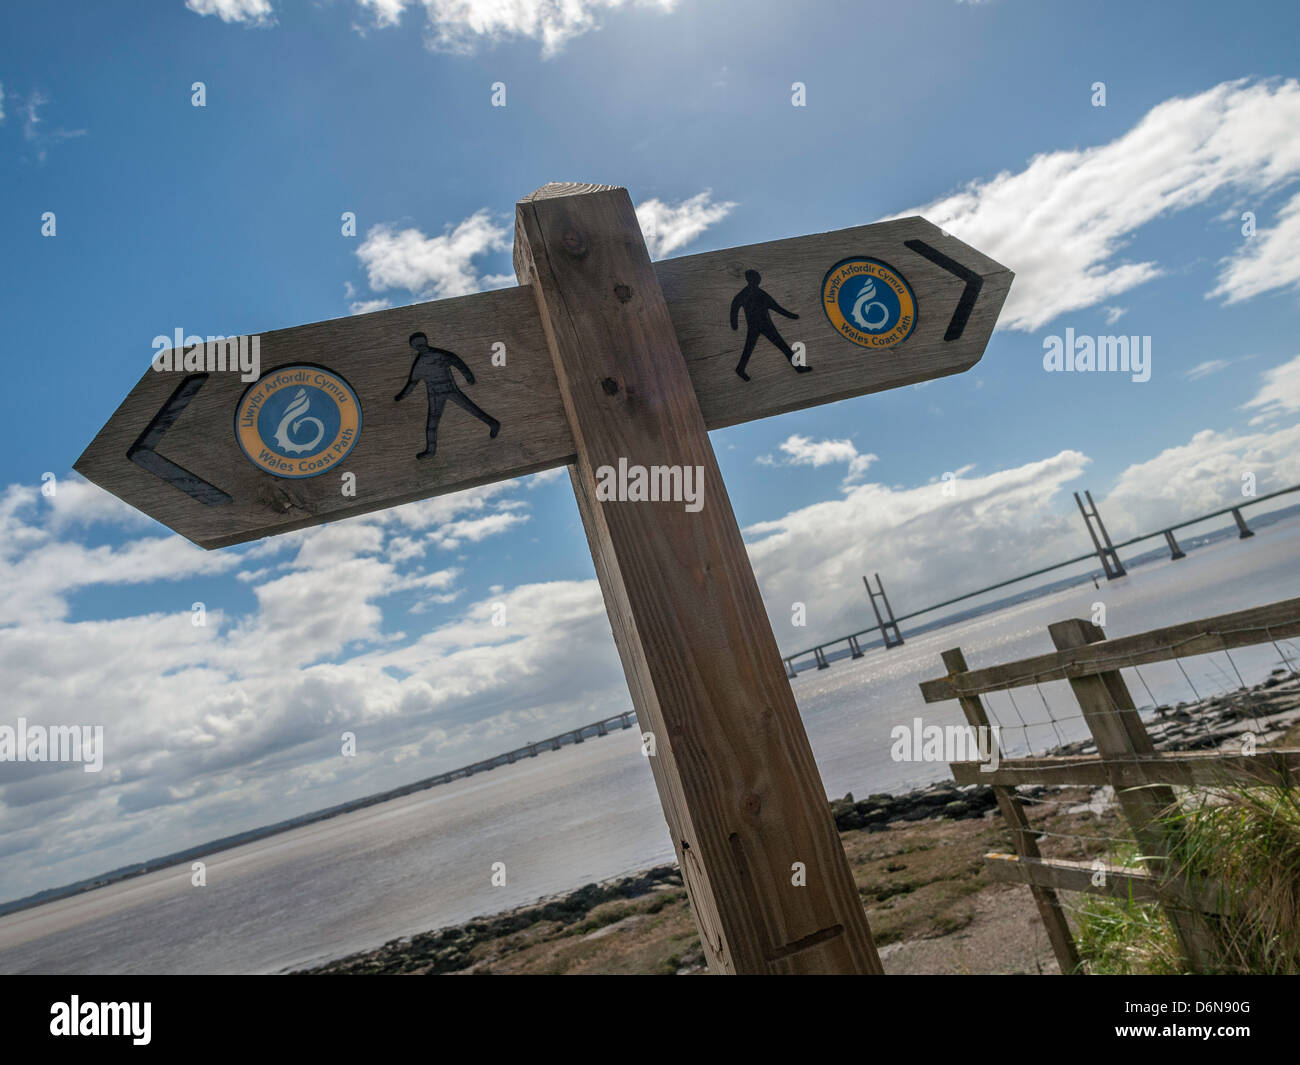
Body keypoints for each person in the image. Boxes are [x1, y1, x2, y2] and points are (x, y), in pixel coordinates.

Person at [395, 333, 499, 459]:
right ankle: (431, 450)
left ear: (426, 342)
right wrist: (400, 397)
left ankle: (493, 423)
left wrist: (469, 377)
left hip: (450, 389)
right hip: (435, 395)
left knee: (471, 409)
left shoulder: (440, 355)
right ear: (416, 348)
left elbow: (457, 362)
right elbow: (411, 384)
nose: (421, 348)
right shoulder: (420, 364)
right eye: (418, 346)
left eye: (422, 344)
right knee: (432, 423)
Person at [729, 269, 810, 381]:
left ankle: (740, 368)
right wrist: (734, 325)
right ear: (752, 279)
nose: (758, 278)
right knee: (779, 346)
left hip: (763, 325)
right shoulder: (749, 293)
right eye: (756, 277)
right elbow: (735, 307)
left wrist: (792, 316)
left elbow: (776, 307)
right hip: (760, 325)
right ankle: (740, 368)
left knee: (780, 346)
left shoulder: (756, 293)